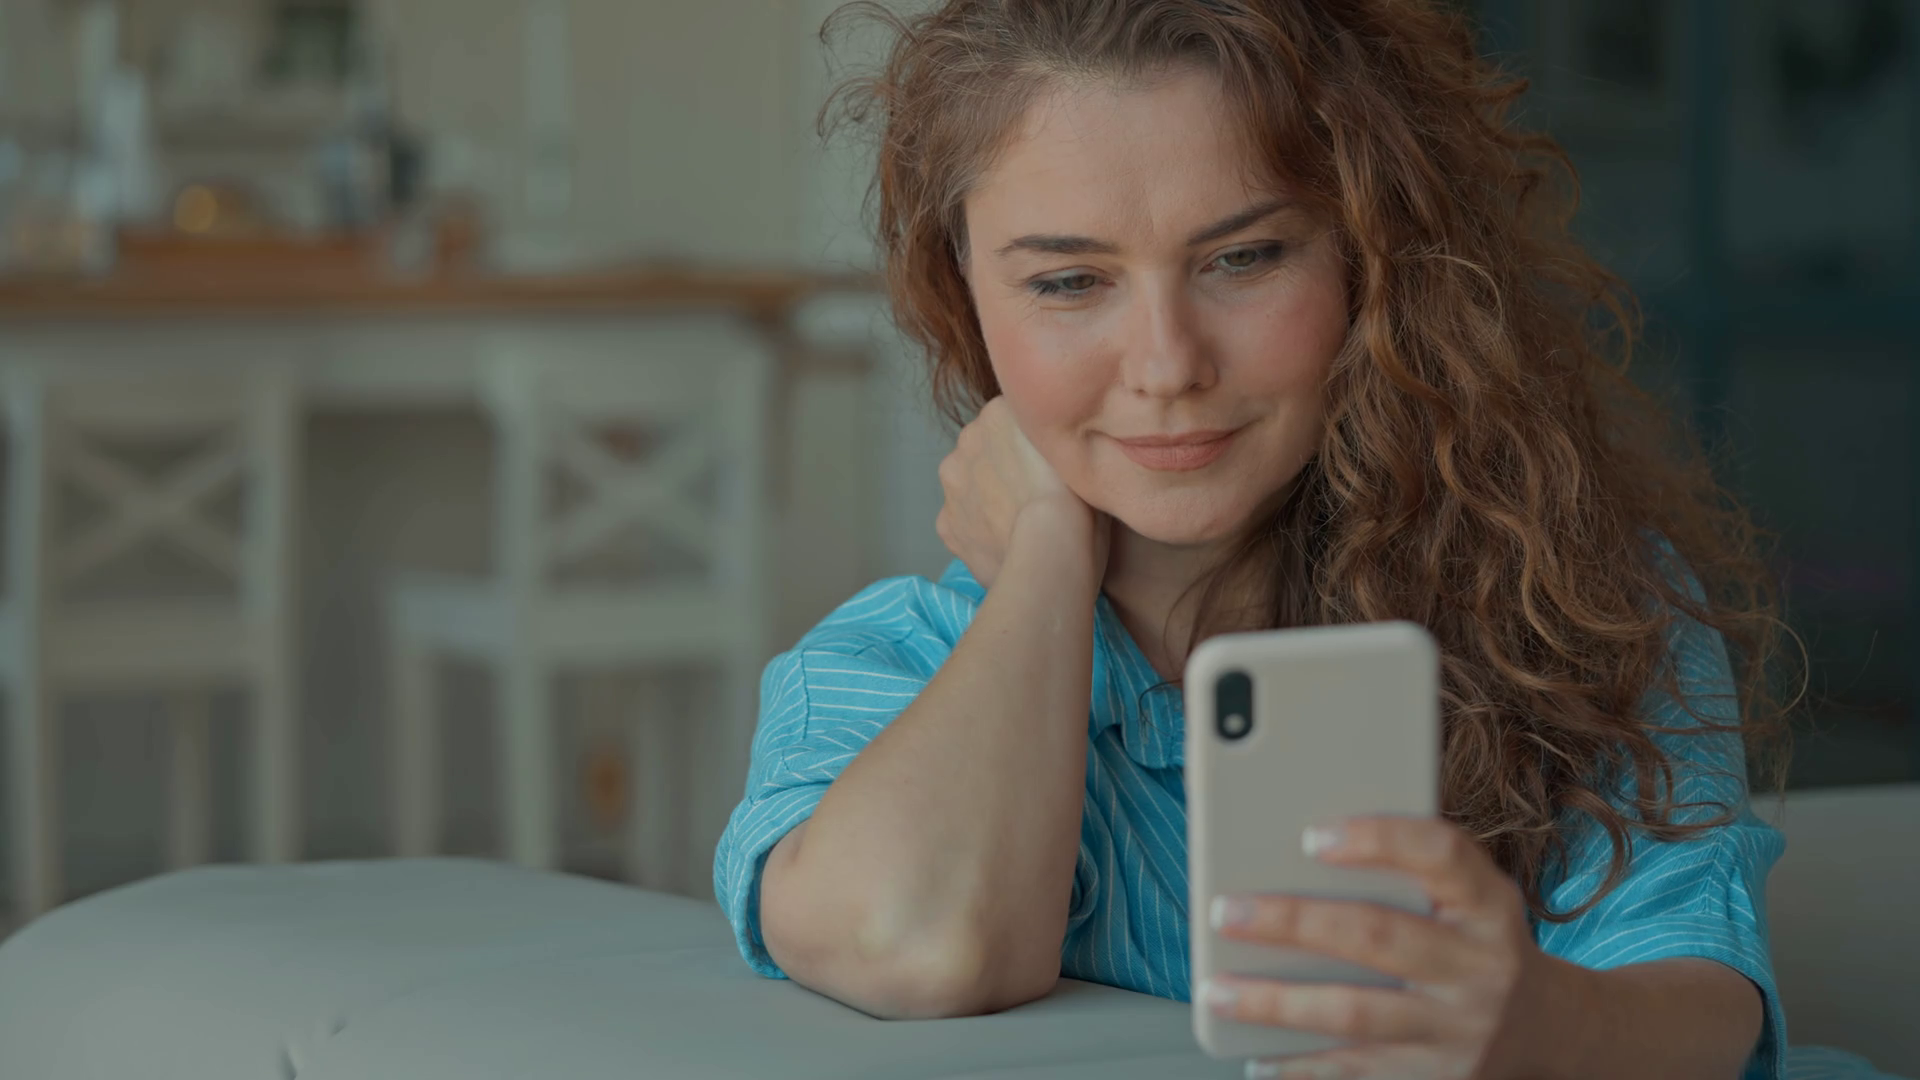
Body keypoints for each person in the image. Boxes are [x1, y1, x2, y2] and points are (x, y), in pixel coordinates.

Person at [715, 2, 1889, 1078]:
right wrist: (1045, 559)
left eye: (1243, 258)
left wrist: (1534, 1025)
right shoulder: (879, 674)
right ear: (962, 290)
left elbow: (1703, 1010)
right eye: (1070, 281)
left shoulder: (1576, 605)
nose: (1168, 364)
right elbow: (921, 946)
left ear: (1370, 260)